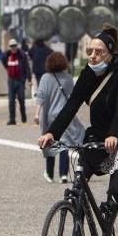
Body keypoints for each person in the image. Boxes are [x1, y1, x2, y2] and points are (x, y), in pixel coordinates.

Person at [37, 25, 118, 236]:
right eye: (89, 52)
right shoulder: (87, 74)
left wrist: (115, 133)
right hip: (97, 139)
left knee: (117, 189)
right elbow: (72, 104)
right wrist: (51, 133)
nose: (93, 56)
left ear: (109, 53)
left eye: (98, 52)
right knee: (79, 185)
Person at [34, 51, 84, 183]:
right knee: (64, 145)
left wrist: (37, 114)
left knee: (50, 143)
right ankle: (63, 175)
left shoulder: (45, 78)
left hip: (49, 116)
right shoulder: (68, 78)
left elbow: (41, 97)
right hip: (65, 116)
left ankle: (49, 174)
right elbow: (74, 97)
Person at [3, 39, 29, 125]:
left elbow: (26, 67)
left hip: (20, 80)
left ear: (17, 46)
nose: (13, 48)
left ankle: (23, 116)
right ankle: (12, 119)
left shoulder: (22, 55)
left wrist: (29, 79)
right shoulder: (7, 55)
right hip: (11, 80)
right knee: (11, 101)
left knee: (21, 99)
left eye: (14, 46)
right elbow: (3, 60)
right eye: (11, 46)